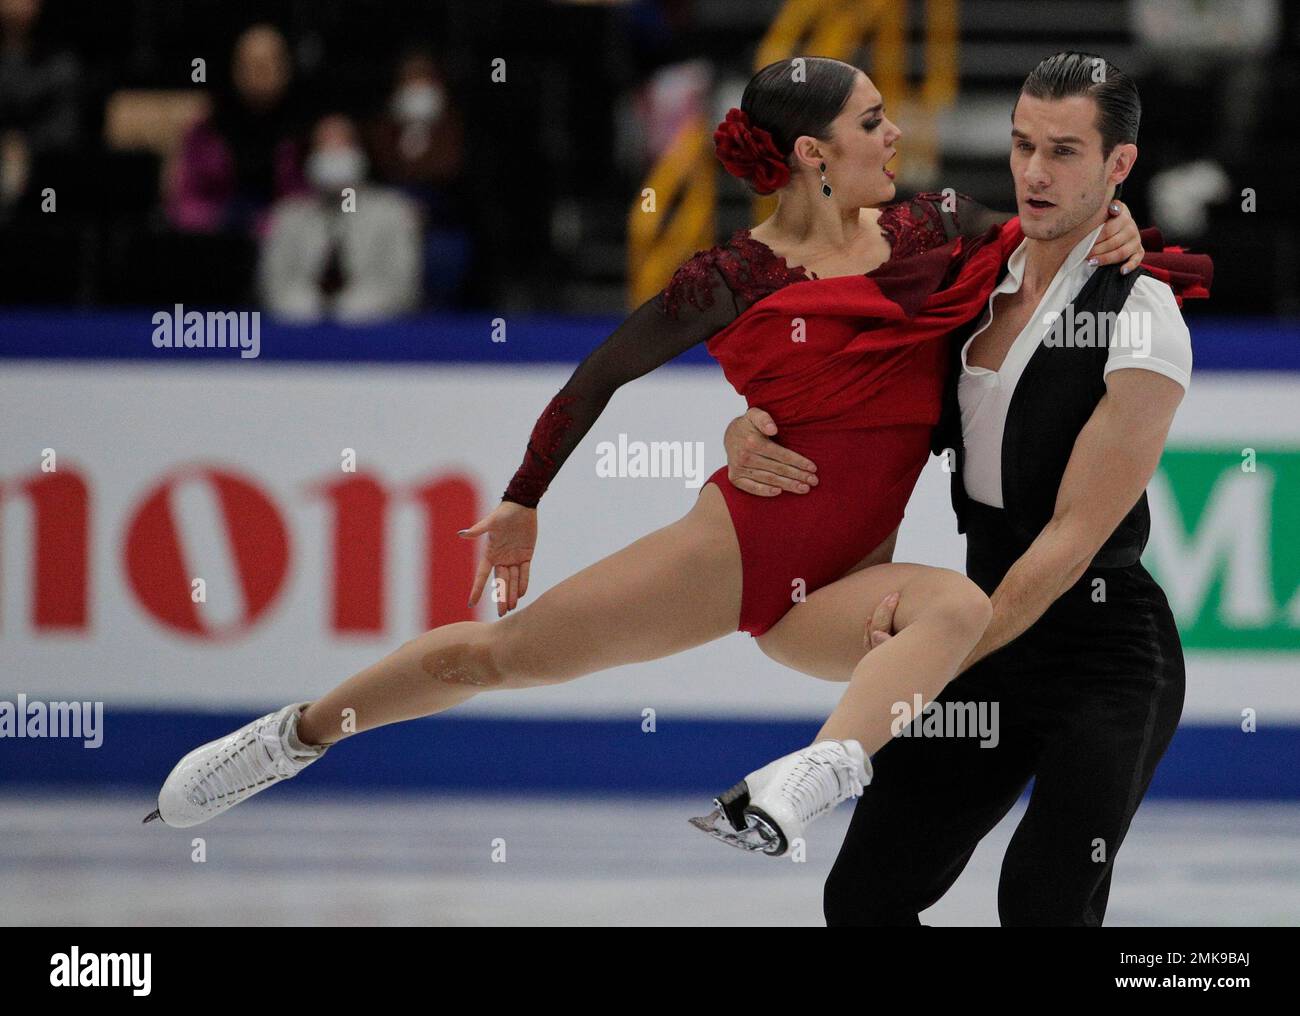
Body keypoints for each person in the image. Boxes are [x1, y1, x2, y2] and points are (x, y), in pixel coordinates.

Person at [144, 58, 1145, 857]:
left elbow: (1044, 238)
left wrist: (1119, 221)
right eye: (874, 121)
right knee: (493, 654)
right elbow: (595, 377)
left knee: (956, 609)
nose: (896, 134)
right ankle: (290, 737)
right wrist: (523, 499)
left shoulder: (931, 228)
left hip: (838, 586)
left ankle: (811, 778)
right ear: (814, 153)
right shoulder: (732, 274)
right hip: (737, 553)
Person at [722, 53, 1212, 919]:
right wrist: (747, 429)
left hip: (1103, 659)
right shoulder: (969, 274)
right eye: (1023, 144)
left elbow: (1069, 540)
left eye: (1065, 151)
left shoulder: (1142, 316)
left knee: (1042, 902)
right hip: (980, 624)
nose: (1033, 171)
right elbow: (841, 390)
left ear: (1119, 166)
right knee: (867, 895)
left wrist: (939, 650)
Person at [259, 112, 422, 322]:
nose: (334, 153)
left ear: (360, 152)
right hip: (301, 318)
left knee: (358, 309)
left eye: (343, 144)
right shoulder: (288, 214)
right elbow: (272, 280)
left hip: (373, 321)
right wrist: (298, 302)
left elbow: (404, 283)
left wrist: (365, 304)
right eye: (324, 145)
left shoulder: (393, 211)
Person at [165, 23, 307, 238]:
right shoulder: (205, 129)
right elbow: (182, 205)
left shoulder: (306, 133)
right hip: (215, 247)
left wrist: (264, 224)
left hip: (287, 249)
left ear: (287, 68)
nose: (260, 73)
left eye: (269, 63)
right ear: (234, 68)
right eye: (250, 64)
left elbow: (316, 208)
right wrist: (221, 220)